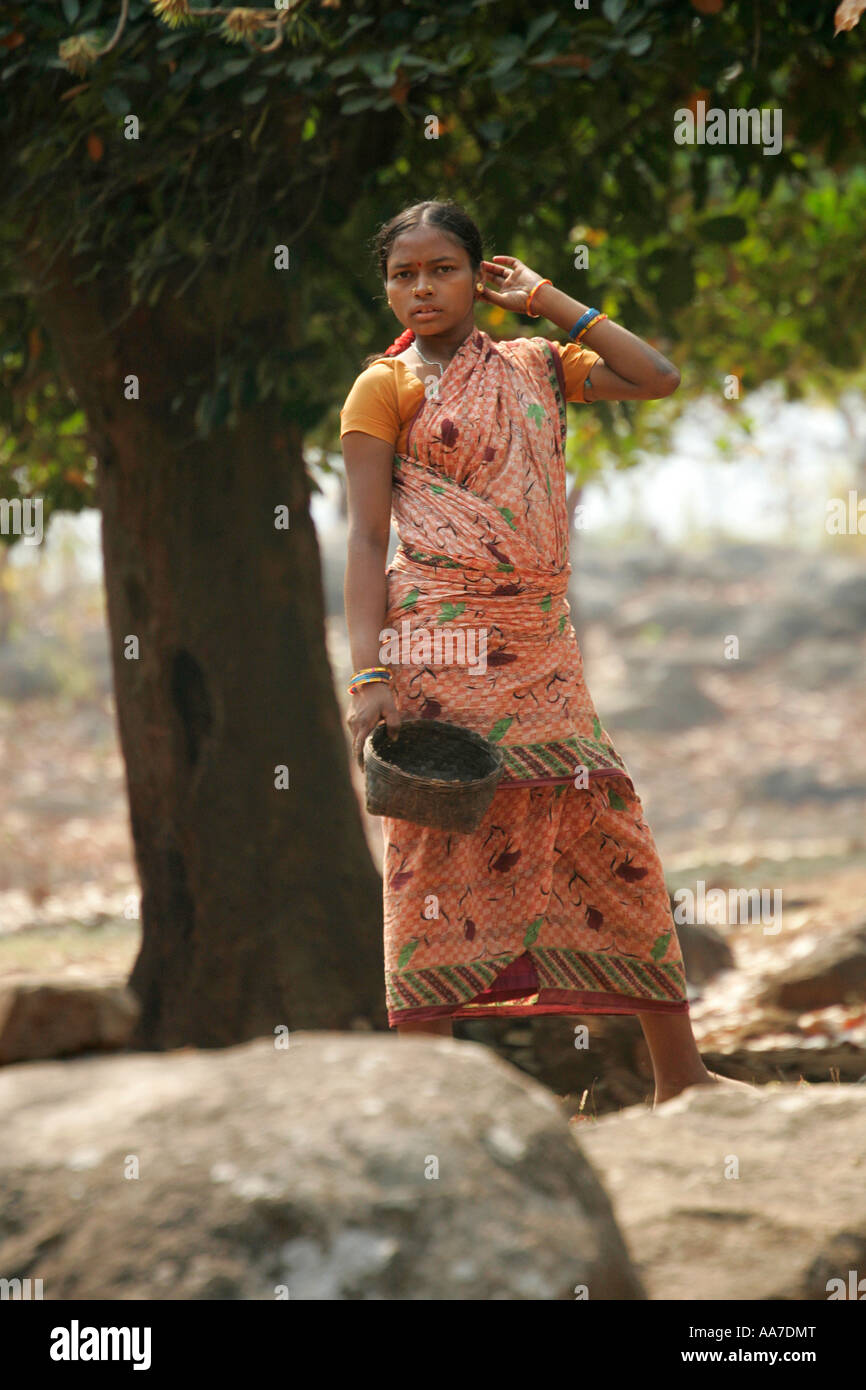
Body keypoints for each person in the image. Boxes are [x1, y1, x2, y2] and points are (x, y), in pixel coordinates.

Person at [340, 199, 746, 1107]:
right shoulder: (383, 387)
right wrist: (367, 676)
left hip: (539, 645)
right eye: (403, 275)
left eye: (441, 269)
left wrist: (550, 299)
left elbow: (657, 376)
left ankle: (679, 1078)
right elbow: (368, 542)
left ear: (479, 276)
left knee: (613, 828)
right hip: (437, 642)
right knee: (437, 847)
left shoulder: (536, 365)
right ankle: (429, 1096)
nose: (420, 289)